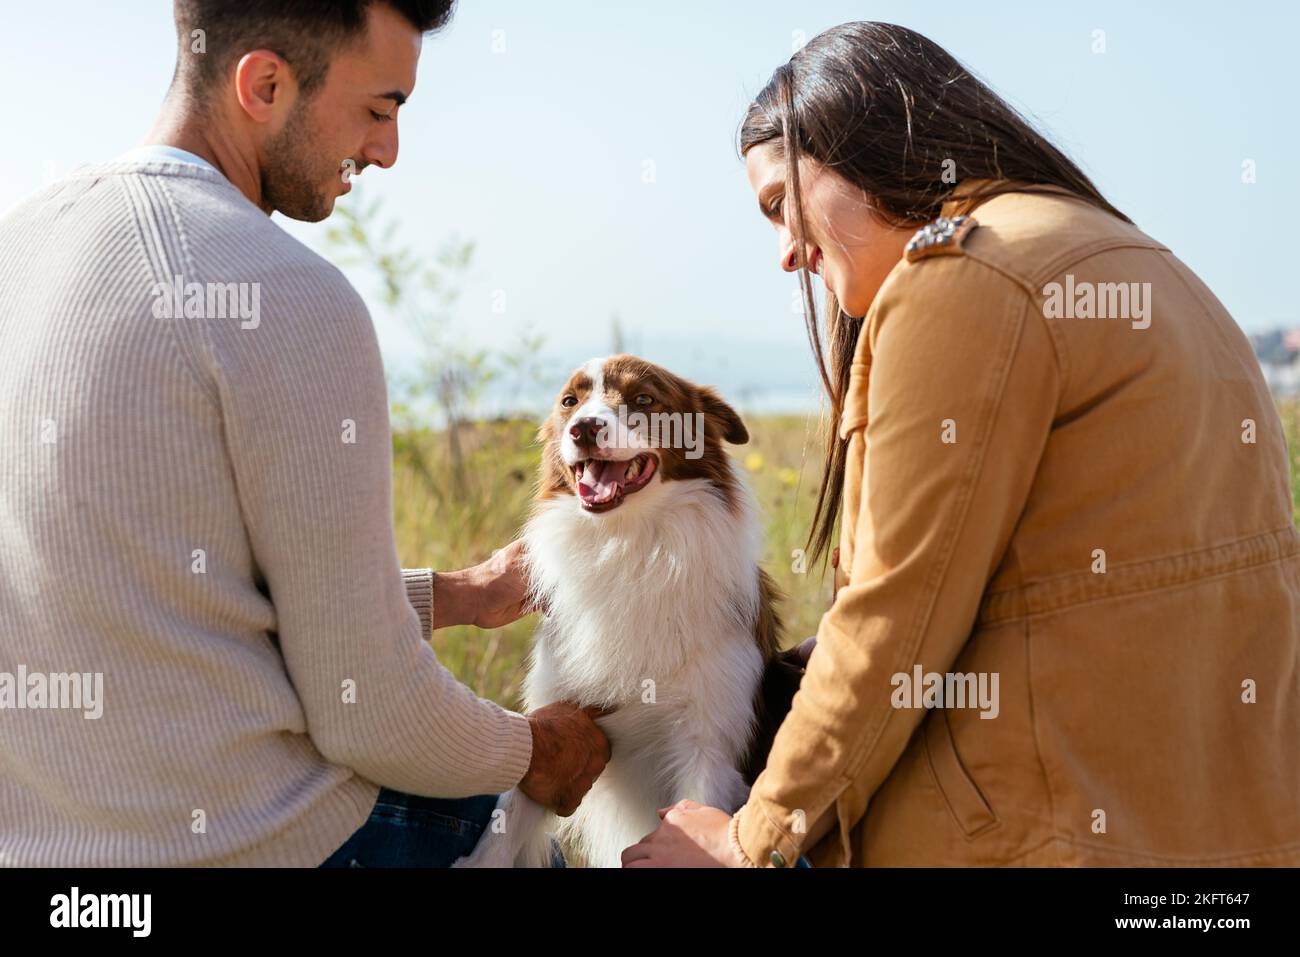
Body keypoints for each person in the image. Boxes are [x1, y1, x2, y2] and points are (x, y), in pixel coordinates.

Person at [623, 21, 1300, 867]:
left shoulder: (962, 278)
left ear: (852, 140)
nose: (788, 253)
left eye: (778, 204)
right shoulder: (1156, 270)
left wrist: (746, 841)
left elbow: (895, 623)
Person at [0, 0, 609, 867]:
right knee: (522, 839)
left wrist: (459, 593)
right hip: (249, 847)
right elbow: (374, 713)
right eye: (380, 108)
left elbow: (164, 590)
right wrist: (536, 750)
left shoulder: (17, 247)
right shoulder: (287, 295)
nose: (387, 150)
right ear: (266, 84)